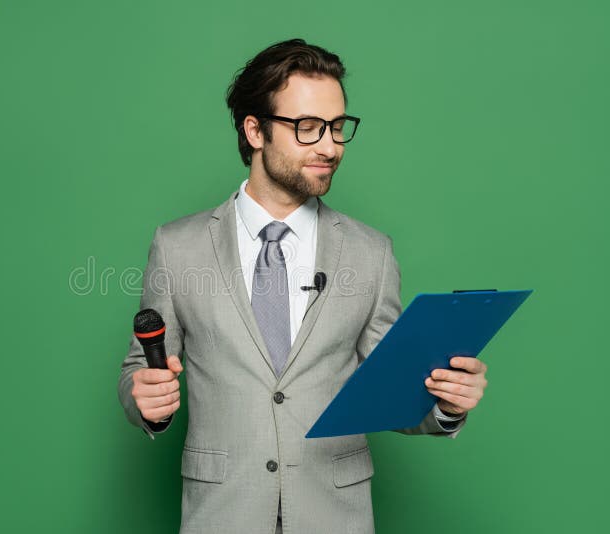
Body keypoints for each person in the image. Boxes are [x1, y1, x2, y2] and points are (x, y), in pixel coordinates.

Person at [117, 38, 488, 534]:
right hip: (222, 512)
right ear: (255, 130)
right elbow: (141, 368)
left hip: (334, 515)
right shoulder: (176, 246)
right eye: (308, 127)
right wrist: (145, 401)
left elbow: (393, 392)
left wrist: (445, 404)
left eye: (337, 127)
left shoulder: (371, 253)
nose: (330, 146)